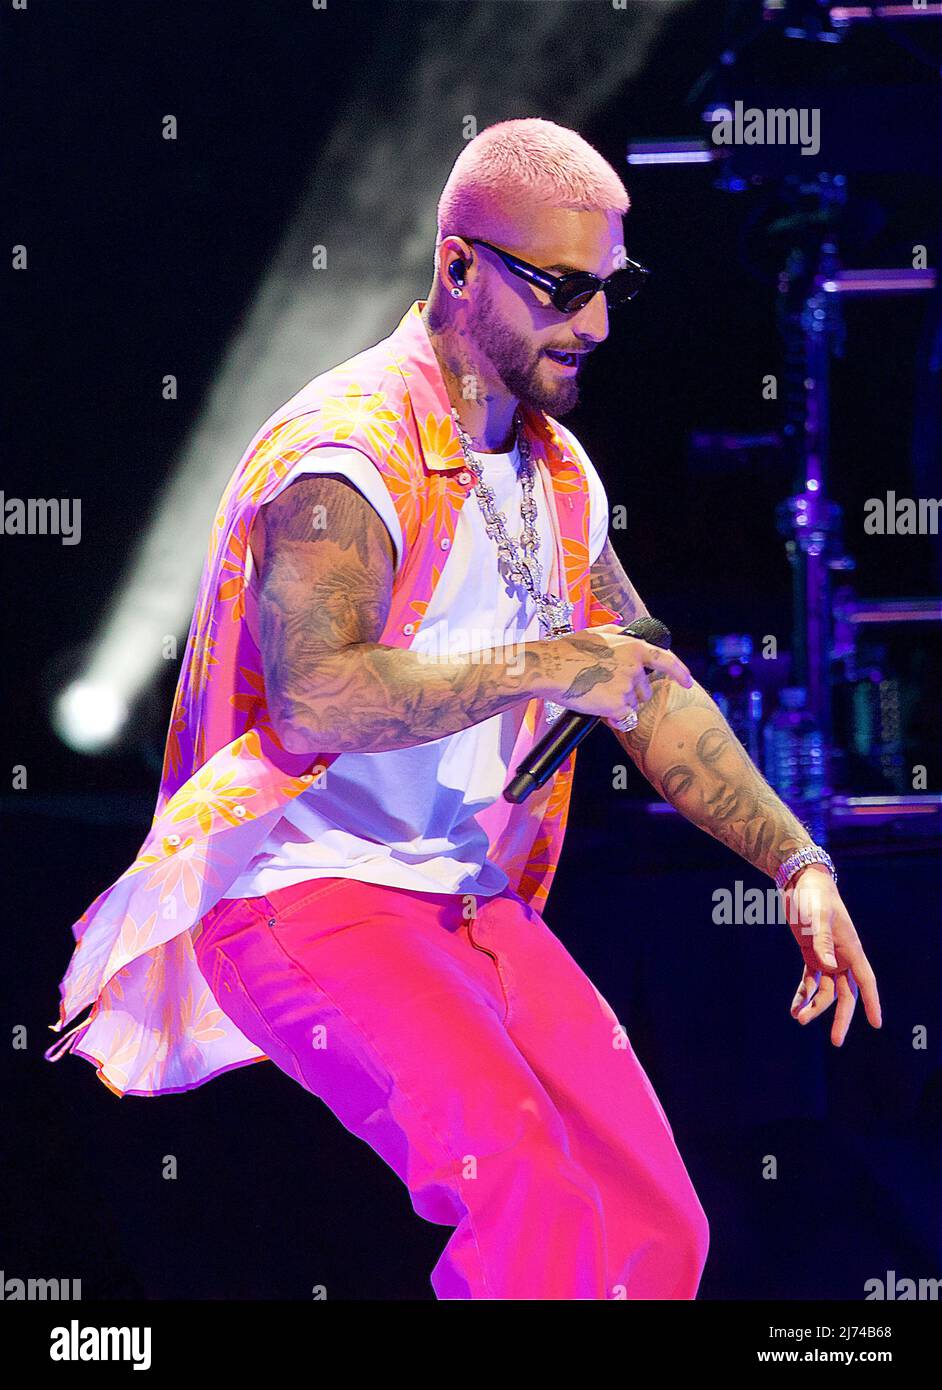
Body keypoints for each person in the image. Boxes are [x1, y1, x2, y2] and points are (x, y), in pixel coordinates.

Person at [46, 118, 881, 1301]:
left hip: (462, 897)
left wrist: (795, 859)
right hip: (303, 886)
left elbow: (641, 683)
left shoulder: (555, 467)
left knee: (657, 1227)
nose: (594, 323)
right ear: (458, 268)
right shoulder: (347, 451)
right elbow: (320, 693)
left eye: (610, 288)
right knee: (526, 1194)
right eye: (563, 288)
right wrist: (545, 665)